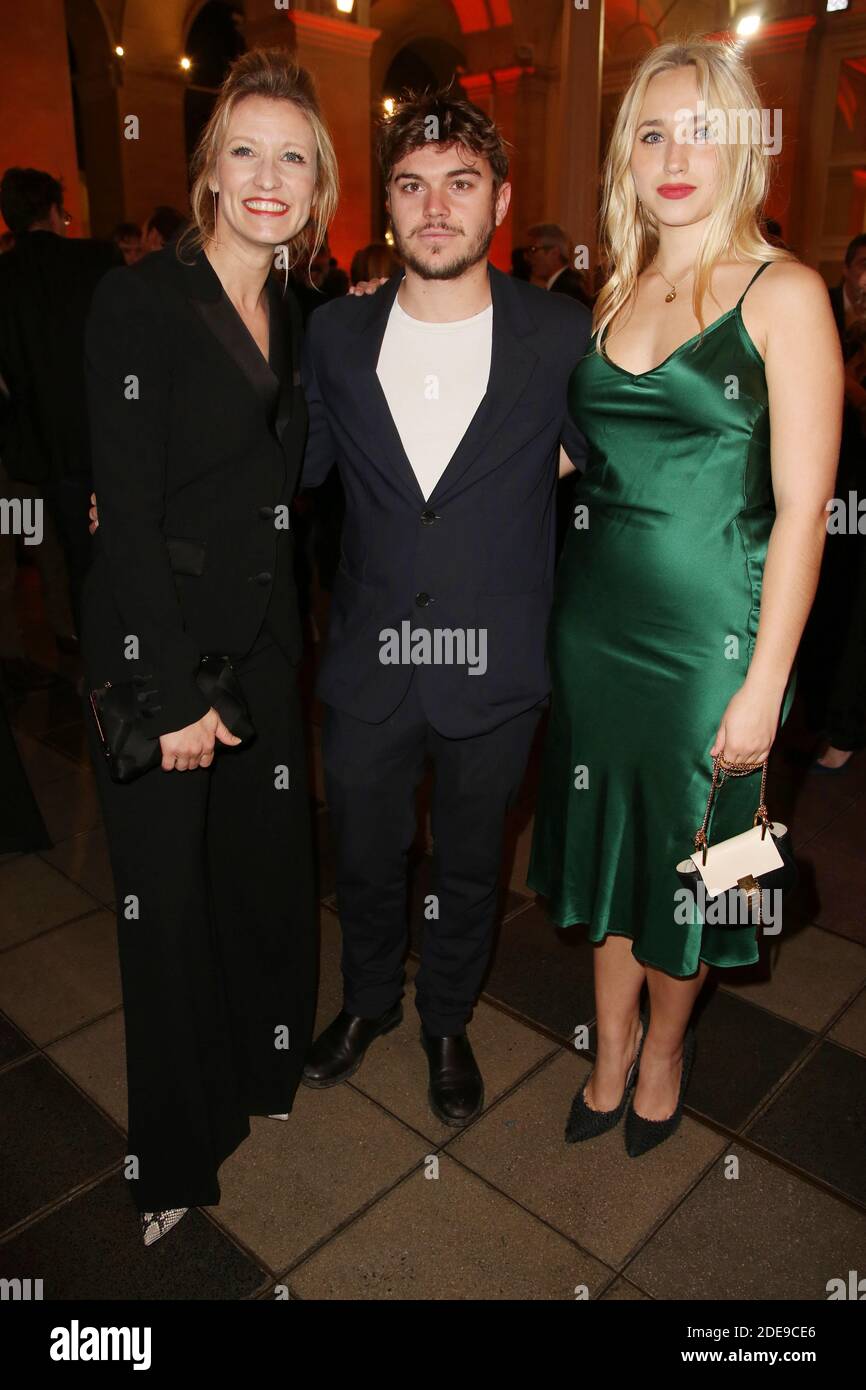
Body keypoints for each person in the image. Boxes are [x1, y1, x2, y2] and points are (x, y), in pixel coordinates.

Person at [527, 38, 842, 1157]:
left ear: (744, 149)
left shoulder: (784, 291)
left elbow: (804, 510)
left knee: (703, 879)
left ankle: (664, 1049)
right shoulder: (613, 287)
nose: (673, 154)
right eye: (652, 131)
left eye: (700, 129)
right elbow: (579, 456)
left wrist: (763, 687)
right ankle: (606, 1050)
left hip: (715, 646)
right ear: (626, 152)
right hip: (593, 635)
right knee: (608, 859)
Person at [81, 47, 336, 1246]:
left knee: (262, 873)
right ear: (208, 170)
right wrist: (175, 691)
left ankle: (257, 1068)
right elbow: (123, 517)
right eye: (246, 151)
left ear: (319, 179)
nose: (268, 176)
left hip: (262, 648)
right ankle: (172, 1155)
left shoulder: (296, 309)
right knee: (165, 911)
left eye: (292, 156)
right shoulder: (139, 300)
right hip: (161, 656)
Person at [299, 90, 590, 1126]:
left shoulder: (559, 335)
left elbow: (608, 470)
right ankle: (369, 1000)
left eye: (459, 184)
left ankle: (446, 1018)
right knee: (367, 857)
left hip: (495, 667)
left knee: (470, 865)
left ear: (498, 201)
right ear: (386, 205)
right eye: (412, 186)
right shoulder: (333, 333)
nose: (435, 206)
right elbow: (291, 471)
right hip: (368, 664)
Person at [0, 167, 121, 646]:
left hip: (31, 454)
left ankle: (76, 652)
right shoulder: (96, 260)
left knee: (54, 556)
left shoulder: (4, 279)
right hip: (102, 439)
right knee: (110, 554)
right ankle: (120, 659)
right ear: (53, 210)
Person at [797, 233, 866, 772]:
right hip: (825, 476)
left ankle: (840, 723)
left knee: (849, 602)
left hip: (853, 484)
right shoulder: (819, 304)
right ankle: (817, 709)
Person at [526, 222, 592, 305]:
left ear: (554, 253)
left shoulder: (567, 290)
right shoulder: (564, 284)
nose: (528, 257)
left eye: (533, 249)